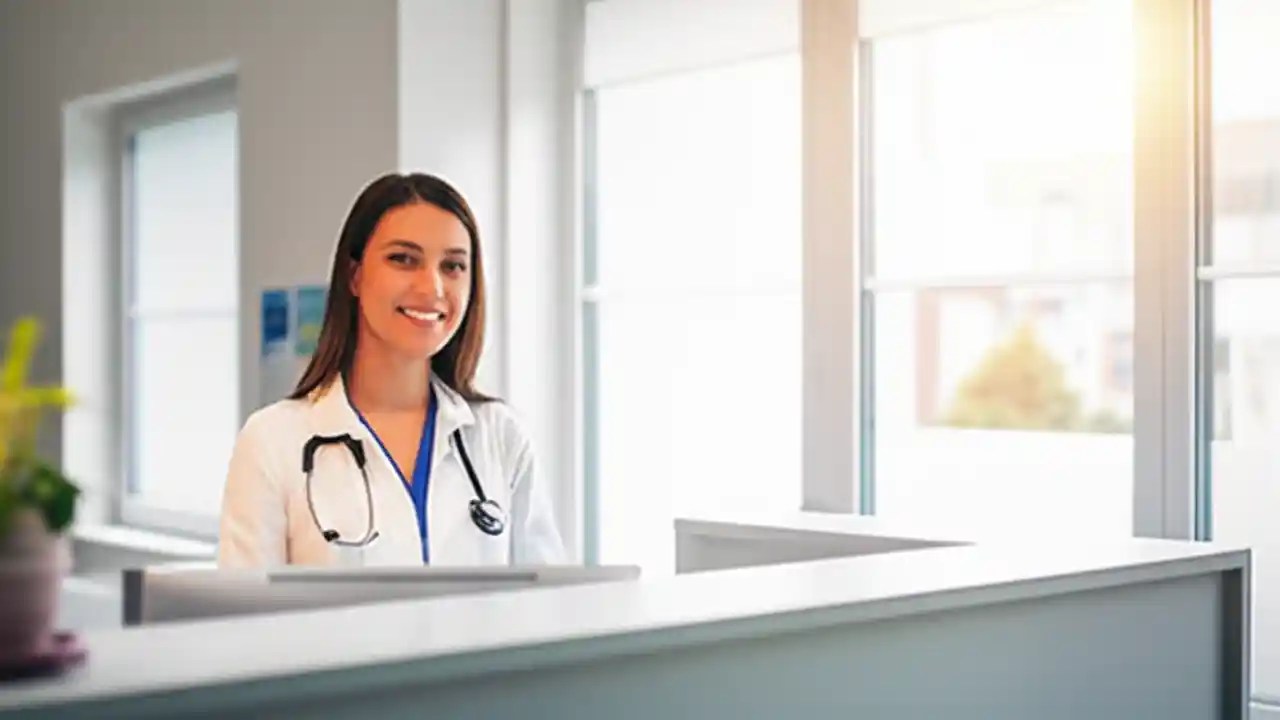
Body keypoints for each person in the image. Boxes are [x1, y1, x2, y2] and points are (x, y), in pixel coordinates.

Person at [218, 173, 564, 567]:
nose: (432, 287)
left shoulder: (500, 436)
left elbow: (546, 608)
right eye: (404, 259)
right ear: (355, 275)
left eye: (453, 266)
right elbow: (244, 620)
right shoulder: (273, 441)